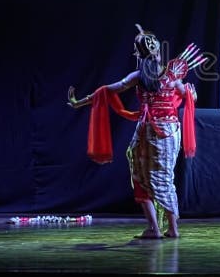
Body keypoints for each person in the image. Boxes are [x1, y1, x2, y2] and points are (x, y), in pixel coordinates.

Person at [67, 24, 208, 239]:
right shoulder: (172, 77)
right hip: (169, 132)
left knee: (141, 176)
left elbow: (107, 90)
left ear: (140, 57)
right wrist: (191, 94)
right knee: (163, 178)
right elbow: (189, 96)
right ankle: (170, 228)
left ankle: (156, 228)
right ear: (159, 53)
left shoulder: (138, 77)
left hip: (147, 131)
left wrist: (80, 102)